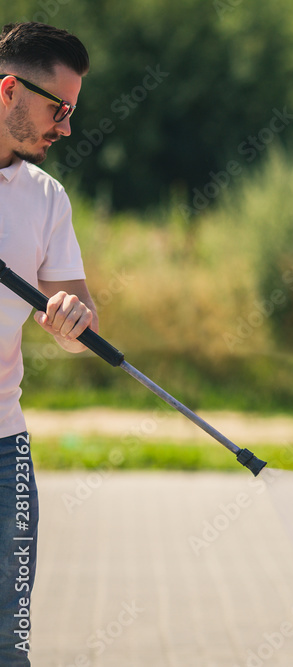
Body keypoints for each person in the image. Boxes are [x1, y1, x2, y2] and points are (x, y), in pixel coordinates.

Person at [0, 22, 97, 664]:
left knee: (11, 643)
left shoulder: (46, 199)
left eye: (71, 112)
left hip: (5, 451)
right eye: (56, 109)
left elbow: (84, 327)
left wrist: (72, 320)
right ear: (8, 89)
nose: (64, 127)